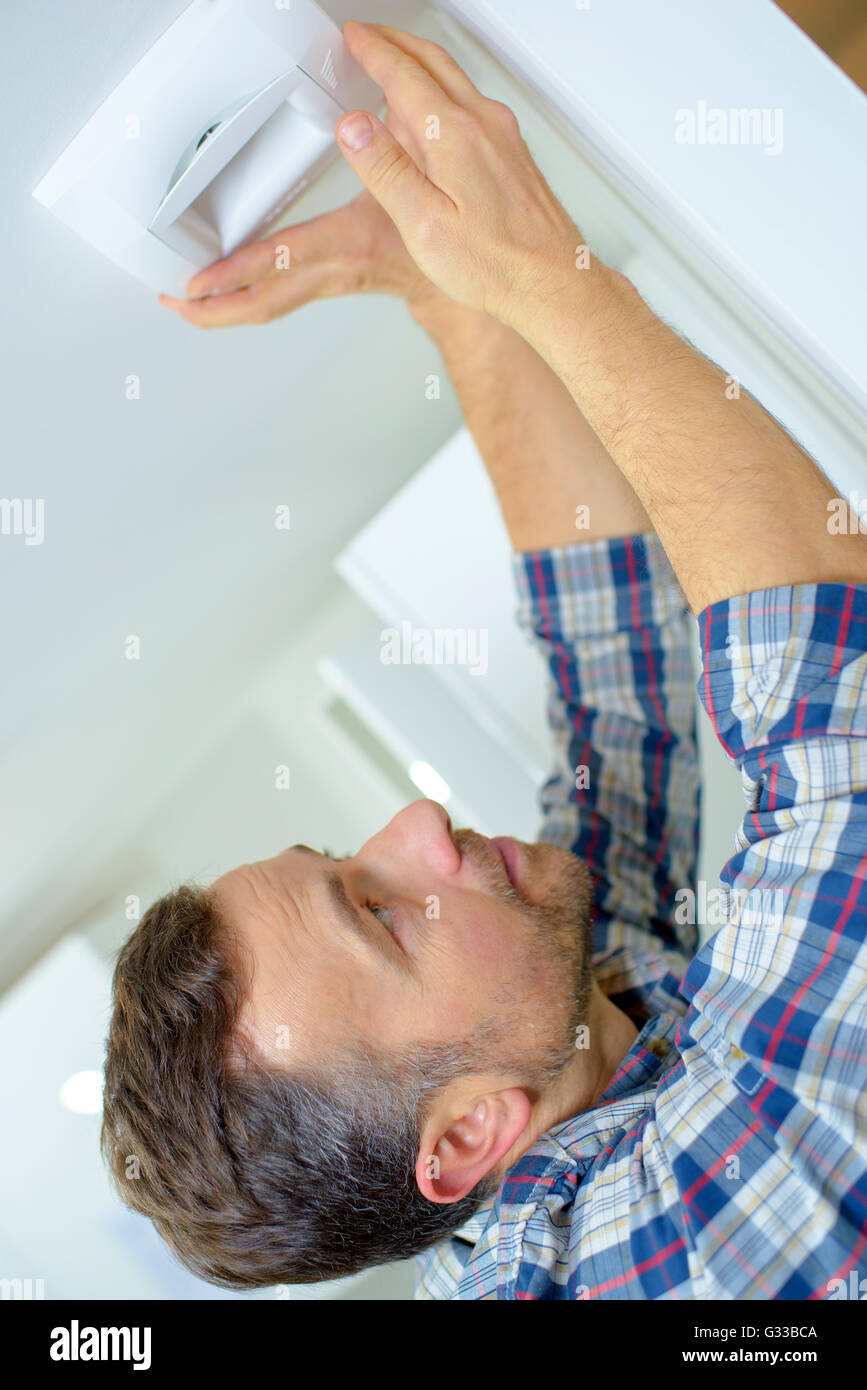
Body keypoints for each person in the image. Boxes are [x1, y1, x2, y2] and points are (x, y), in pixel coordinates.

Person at [102, 23, 867, 1298]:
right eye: (386, 914)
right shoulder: (661, 1271)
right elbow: (836, 709)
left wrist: (451, 298)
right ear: (462, 1138)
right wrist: (548, 278)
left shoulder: (544, 1061)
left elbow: (614, 707)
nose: (418, 825)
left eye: (348, 860)